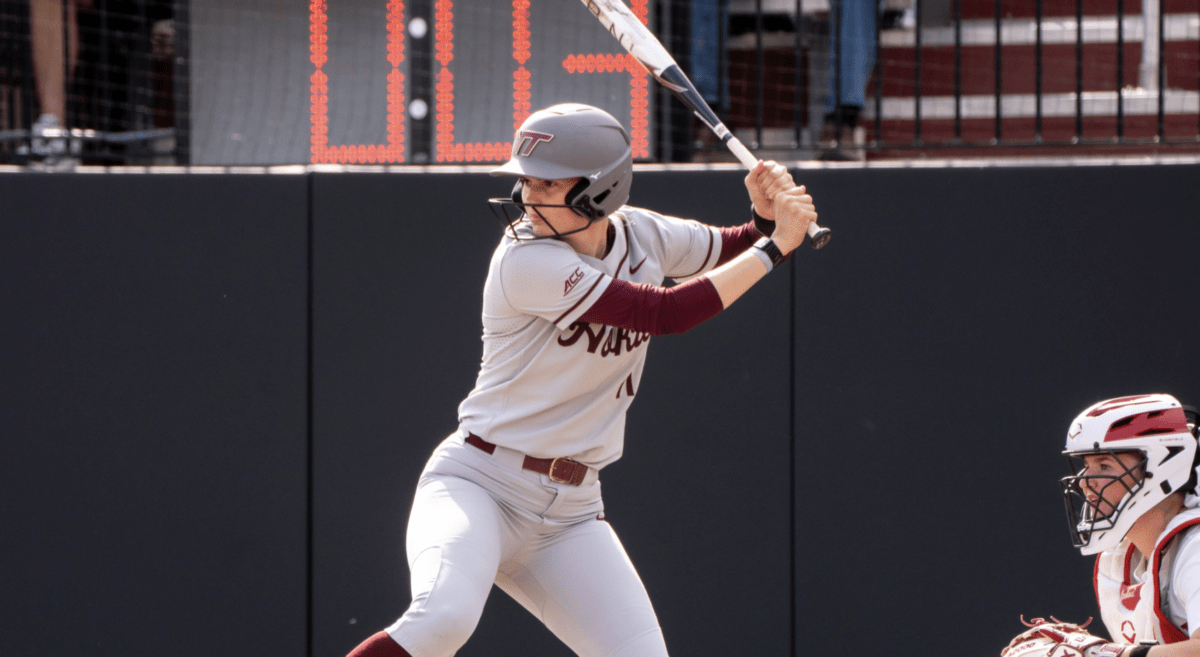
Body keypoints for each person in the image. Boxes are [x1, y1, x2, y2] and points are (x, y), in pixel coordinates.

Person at [343, 103, 818, 657]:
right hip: (481, 484)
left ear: (600, 189)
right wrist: (777, 244)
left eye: (547, 183)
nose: (527, 196)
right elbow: (666, 314)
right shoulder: (524, 260)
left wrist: (762, 221)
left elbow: (722, 248)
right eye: (524, 180)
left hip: (570, 512)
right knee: (442, 621)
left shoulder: (643, 233)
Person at [1035, 393, 1200, 657]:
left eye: (1104, 464)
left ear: (1162, 465)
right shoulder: (1121, 559)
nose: (1086, 482)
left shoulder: (1195, 549)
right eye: (1086, 465)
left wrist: (1116, 655)